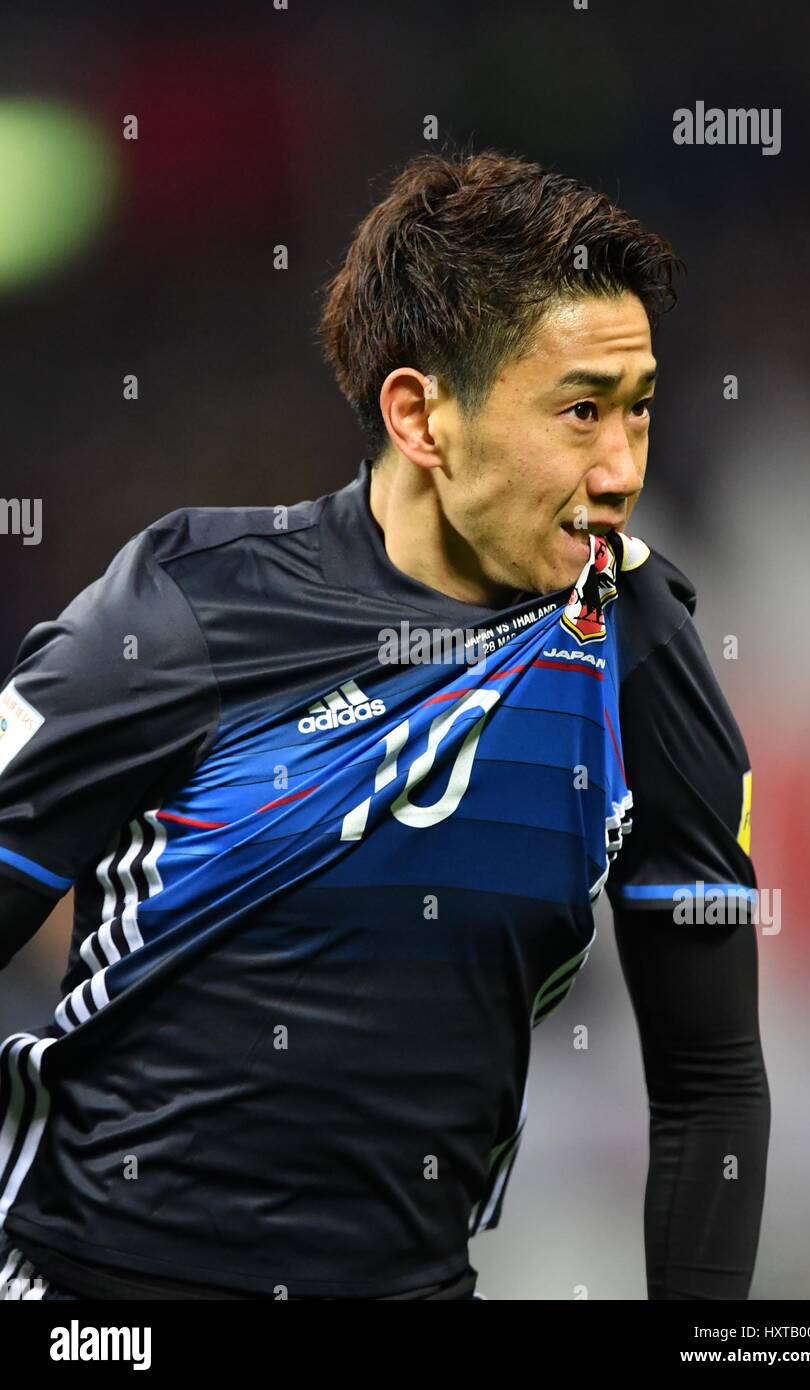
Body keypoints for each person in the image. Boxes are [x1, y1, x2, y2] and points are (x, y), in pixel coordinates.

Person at [0, 149, 769, 1301]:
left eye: (637, 409)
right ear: (419, 415)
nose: (619, 467)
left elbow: (708, 1077)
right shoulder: (183, 607)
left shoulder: (638, 647)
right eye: (577, 412)